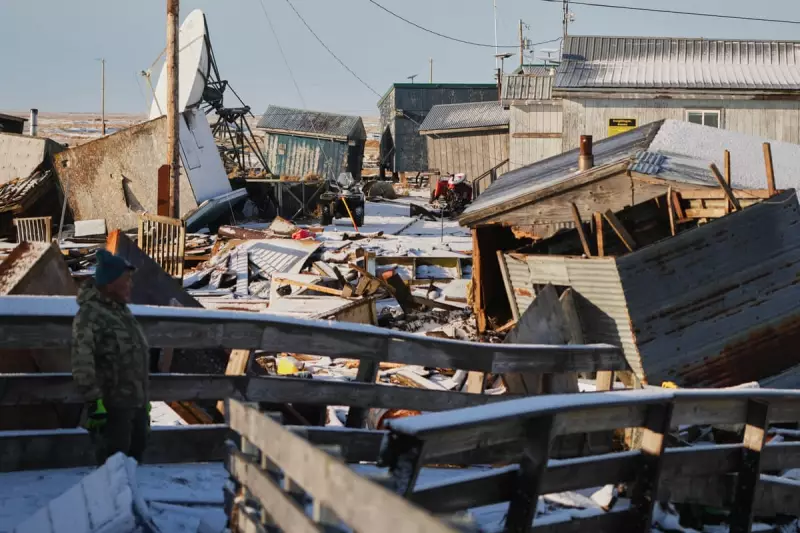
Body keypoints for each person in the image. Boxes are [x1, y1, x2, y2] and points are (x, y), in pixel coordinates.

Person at [71, 249, 150, 464]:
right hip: (112, 408)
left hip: (135, 404)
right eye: (126, 280)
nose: (130, 285)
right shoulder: (90, 315)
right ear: (110, 283)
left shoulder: (123, 313)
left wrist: (144, 399)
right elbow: (82, 361)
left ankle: (129, 498)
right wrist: (94, 402)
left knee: (134, 463)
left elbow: (136, 355)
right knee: (112, 468)